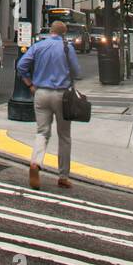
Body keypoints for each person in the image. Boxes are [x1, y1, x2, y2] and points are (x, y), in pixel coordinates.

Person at [16, 20, 81, 190]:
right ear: (64, 34)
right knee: (64, 136)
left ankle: (36, 162)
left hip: (41, 93)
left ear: (51, 31)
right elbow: (77, 72)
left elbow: (21, 66)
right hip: (62, 95)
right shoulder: (67, 48)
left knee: (42, 132)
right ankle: (63, 176)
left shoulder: (38, 46)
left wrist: (30, 84)